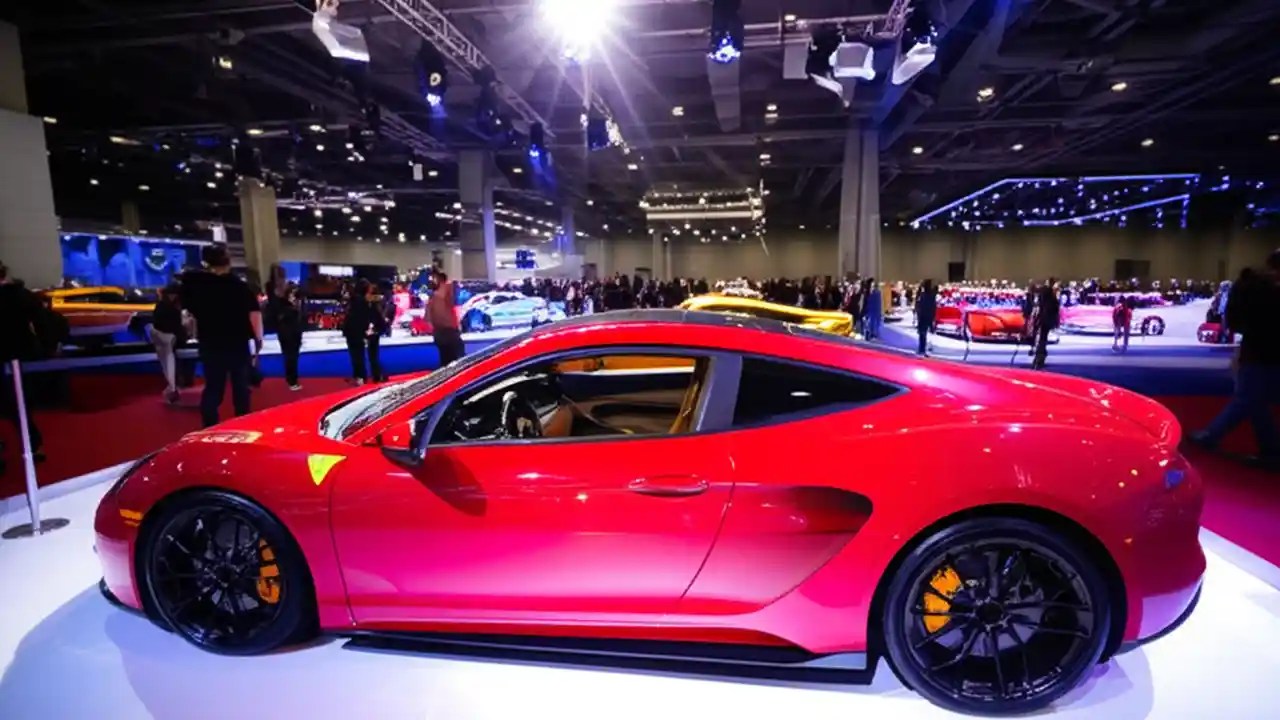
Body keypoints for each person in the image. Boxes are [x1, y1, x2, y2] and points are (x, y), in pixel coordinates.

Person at [1190, 252, 1280, 466]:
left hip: (1258, 350)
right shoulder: (1262, 287)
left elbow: (1237, 320)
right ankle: (1271, 450)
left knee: (1248, 397)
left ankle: (1212, 435)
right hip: (1265, 351)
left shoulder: (1253, 285)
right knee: (1255, 400)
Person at [180, 245, 264, 428]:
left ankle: (209, 427)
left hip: (211, 343)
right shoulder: (240, 287)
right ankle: (243, 426)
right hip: (237, 344)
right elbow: (254, 316)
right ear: (228, 261)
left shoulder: (196, 286)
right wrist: (258, 342)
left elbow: (188, 314)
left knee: (213, 389)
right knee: (241, 389)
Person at [0, 260, 46, 466]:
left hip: (13, 358)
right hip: (23, 357)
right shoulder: (22, 295)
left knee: (17, 406)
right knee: (21, 407)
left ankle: (32, 445)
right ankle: (33, 446)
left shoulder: (19, 296)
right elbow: (42, 321)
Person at [343, 278, 382, 385]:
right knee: (360, 355)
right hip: (358, 331)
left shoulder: (355, 300)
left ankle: (360, 377)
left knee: (357, 355)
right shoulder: (363, 302)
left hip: (353, 331)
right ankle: (364, 377)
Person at [151, 284, 185, 403]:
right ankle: (172, 387)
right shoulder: (163, 306)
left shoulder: (175, 306)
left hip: (171, 339)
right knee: (168, 362)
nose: (172, 296)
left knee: (170, 362)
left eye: (174, 294)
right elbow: (158, 324)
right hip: (164, 337)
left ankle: (173, 387)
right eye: (171, 294)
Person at [429, 268, 465, 367]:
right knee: (451, 360)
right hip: (444, 332)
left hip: (446, 332)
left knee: (450, 360)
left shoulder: (443, 292)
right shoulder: (436, 296)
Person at [277, 284, 304, 391]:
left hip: (292, 336)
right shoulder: (285, 307)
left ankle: (292, 380)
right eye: (292, 293)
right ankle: (292, 381)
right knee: (291, 359)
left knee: (292, 358)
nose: (294, 296)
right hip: (288, 336)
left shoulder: (292, 306)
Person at [1031, 279, 1060, 370]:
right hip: (1046, 318)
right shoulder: (1050, 295)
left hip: (1042, 318)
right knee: (1043, 338)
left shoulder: (1044, 293)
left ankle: (1039, 356)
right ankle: (1040, 357)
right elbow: (1054, 308)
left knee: (1041, 337)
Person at [914, 279, 937, 355]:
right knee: (927, 333)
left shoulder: (922, 295)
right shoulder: (932, 295)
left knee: (922, 333)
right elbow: (933, 307)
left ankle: (922, 349)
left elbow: (919, 304)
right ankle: (926, 349)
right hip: (929, 316)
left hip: (923, 316)